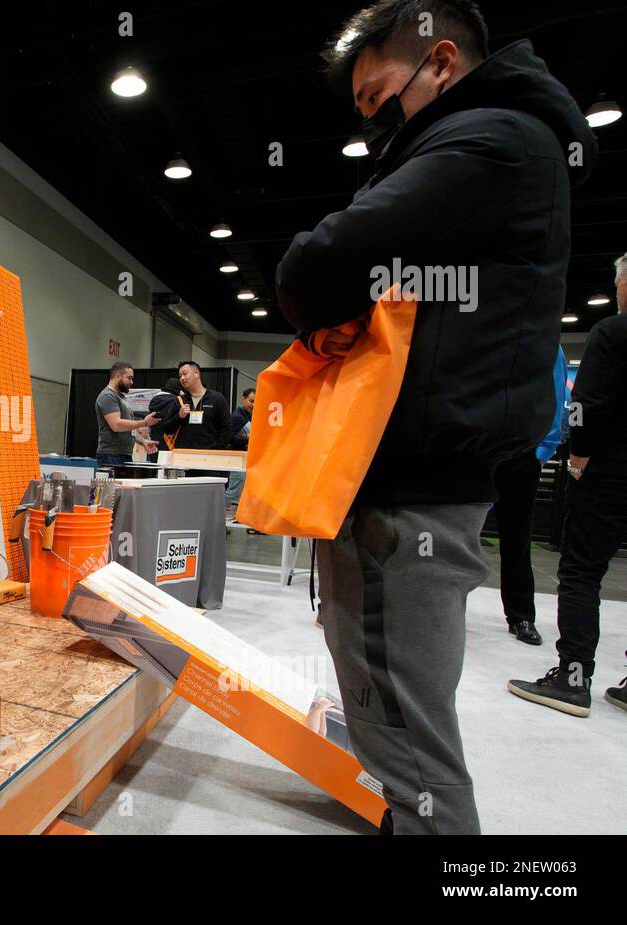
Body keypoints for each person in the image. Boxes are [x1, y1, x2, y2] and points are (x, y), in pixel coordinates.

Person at [277, 0, 596, 833]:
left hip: (410, 480)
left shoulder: (493, 140)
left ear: (442, 63)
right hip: (402, 471)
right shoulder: (493, 144)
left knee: (409, 741)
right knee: (394, 722)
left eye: (381, 99)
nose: (375, 128)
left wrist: (313, 290)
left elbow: (326, 259)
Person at [510, 254, 627, 716]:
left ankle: (572, 677)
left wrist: (577, 456)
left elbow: (587, 404)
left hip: (610, 475)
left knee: (581, 572)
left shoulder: (613, 333)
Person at [491, 347, 569, 647]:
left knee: (517, 535)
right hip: (477, 447)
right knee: (458, 532)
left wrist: (542, 450)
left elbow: (556, 392)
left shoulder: (547, 340)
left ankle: (521, 615)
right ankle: (449, 611)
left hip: (521, 452)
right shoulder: (481, 329)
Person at [95, 362, 158, 466]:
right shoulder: (107, 396)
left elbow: (129, 428)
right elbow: (117, 425)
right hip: (111, 455)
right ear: (118, 376)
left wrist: (143, 441)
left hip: (123, 454)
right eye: (129, 378)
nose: (132, 382)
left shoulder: (121, 397)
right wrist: (145, 422)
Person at [173, 361, 232, 450]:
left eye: (185, 374)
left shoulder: (217, 398)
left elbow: (226, 427)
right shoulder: (180, 400)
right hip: (184, 454)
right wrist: (179, 416)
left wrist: (217, 449)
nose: (182, 378)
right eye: (180, 376)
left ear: (196, 373)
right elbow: (168, 427)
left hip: (209, 455)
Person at [225, 388, 255, 518]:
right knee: (234, 491)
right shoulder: (237, 416)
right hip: (238, 458)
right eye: (251, 401)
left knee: (239, 490)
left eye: (255, 401)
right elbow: (230, 437)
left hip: (244, 458)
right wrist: (248, 439)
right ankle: (215, 517)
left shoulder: (248, 415)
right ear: (243, 399)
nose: (253, 404)